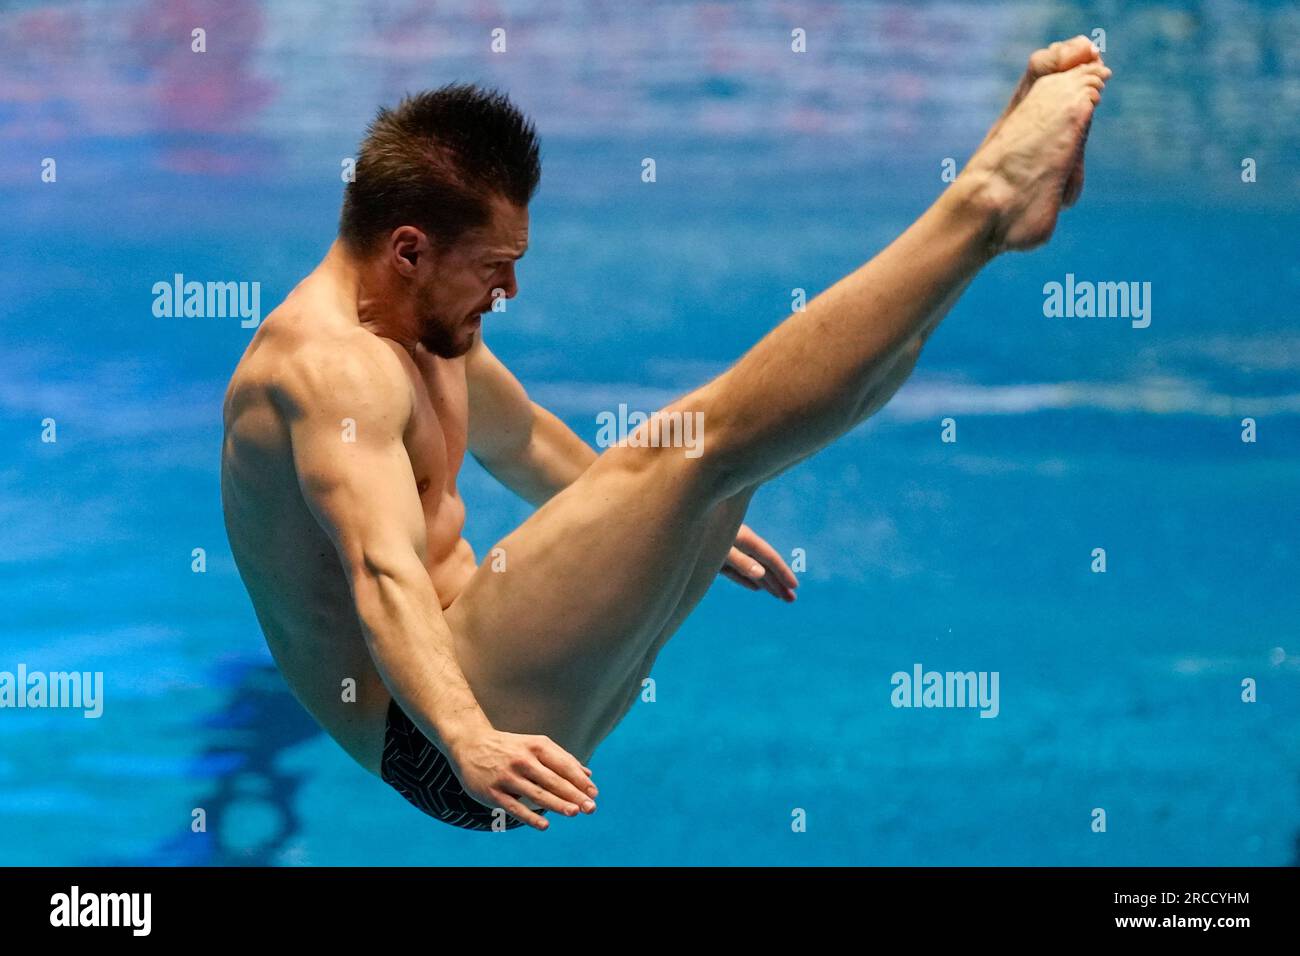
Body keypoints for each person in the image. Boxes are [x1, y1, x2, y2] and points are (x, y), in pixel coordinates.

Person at [220, 36, 1110, 831]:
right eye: (495, 269)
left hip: (483, 683)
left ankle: (996, 210)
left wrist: (643, 527)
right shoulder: (328, 370)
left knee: (735, 458)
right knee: (700, 440)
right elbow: (381, 573)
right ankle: (987, 200)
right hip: (442, 731)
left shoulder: (422, 324)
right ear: (408, 249)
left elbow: (524, 439)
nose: (509, 294)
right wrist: (469, 739)